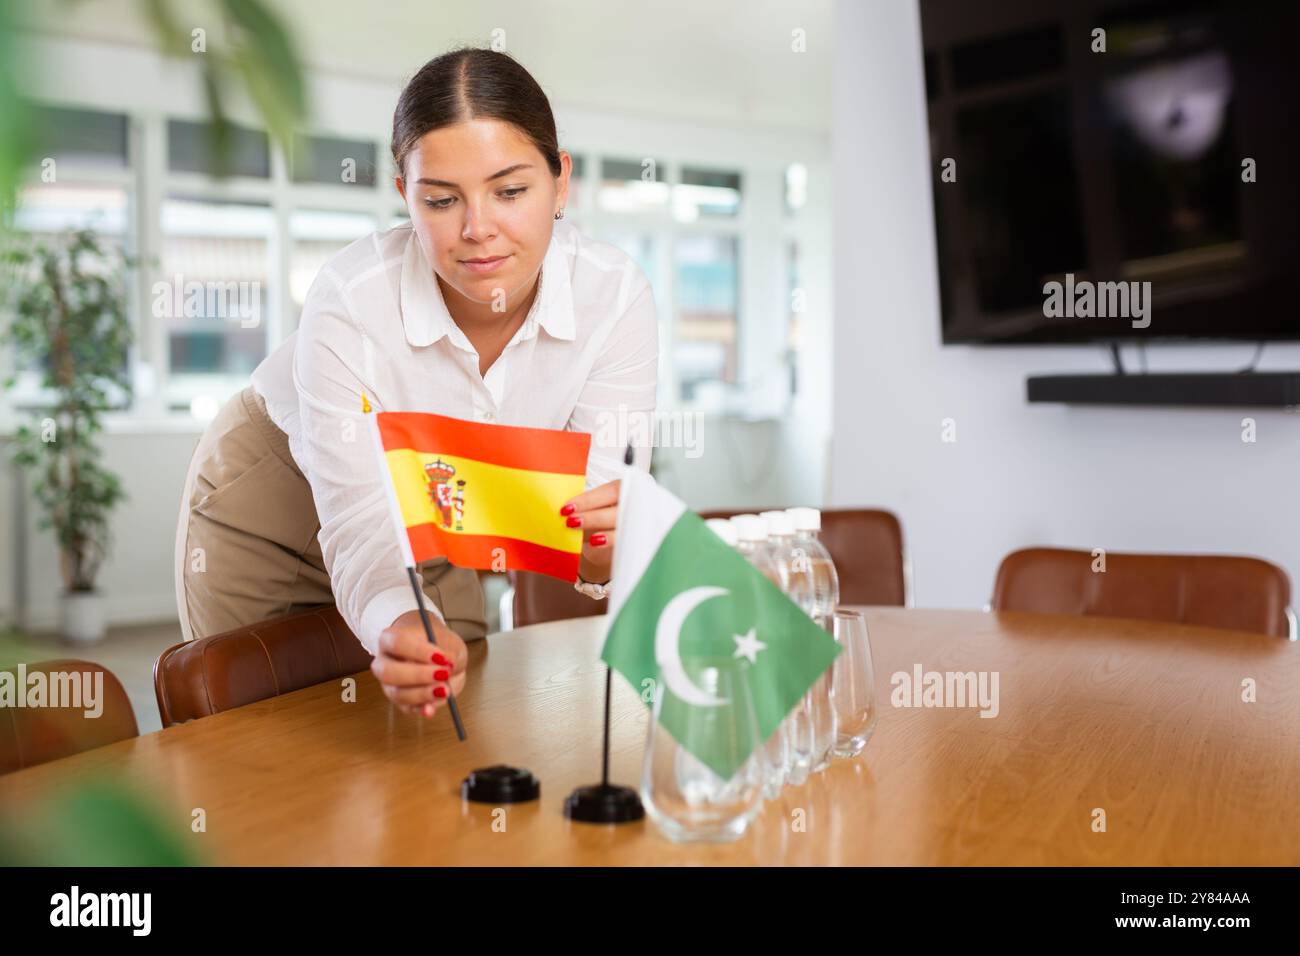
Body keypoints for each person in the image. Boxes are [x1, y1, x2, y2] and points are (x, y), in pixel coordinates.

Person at [174, 47, 658, 718]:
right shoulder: (351, 296)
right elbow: (363, 525)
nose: (477, 229)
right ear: (404, 193)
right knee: (264, 747)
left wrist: (609, 544)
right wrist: (400, 622)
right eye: (440, 199)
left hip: (450, 504)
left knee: (449, 727)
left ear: (561, 181)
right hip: (276, 496)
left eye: (511, 191)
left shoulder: (615, 296)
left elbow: (595, 524)